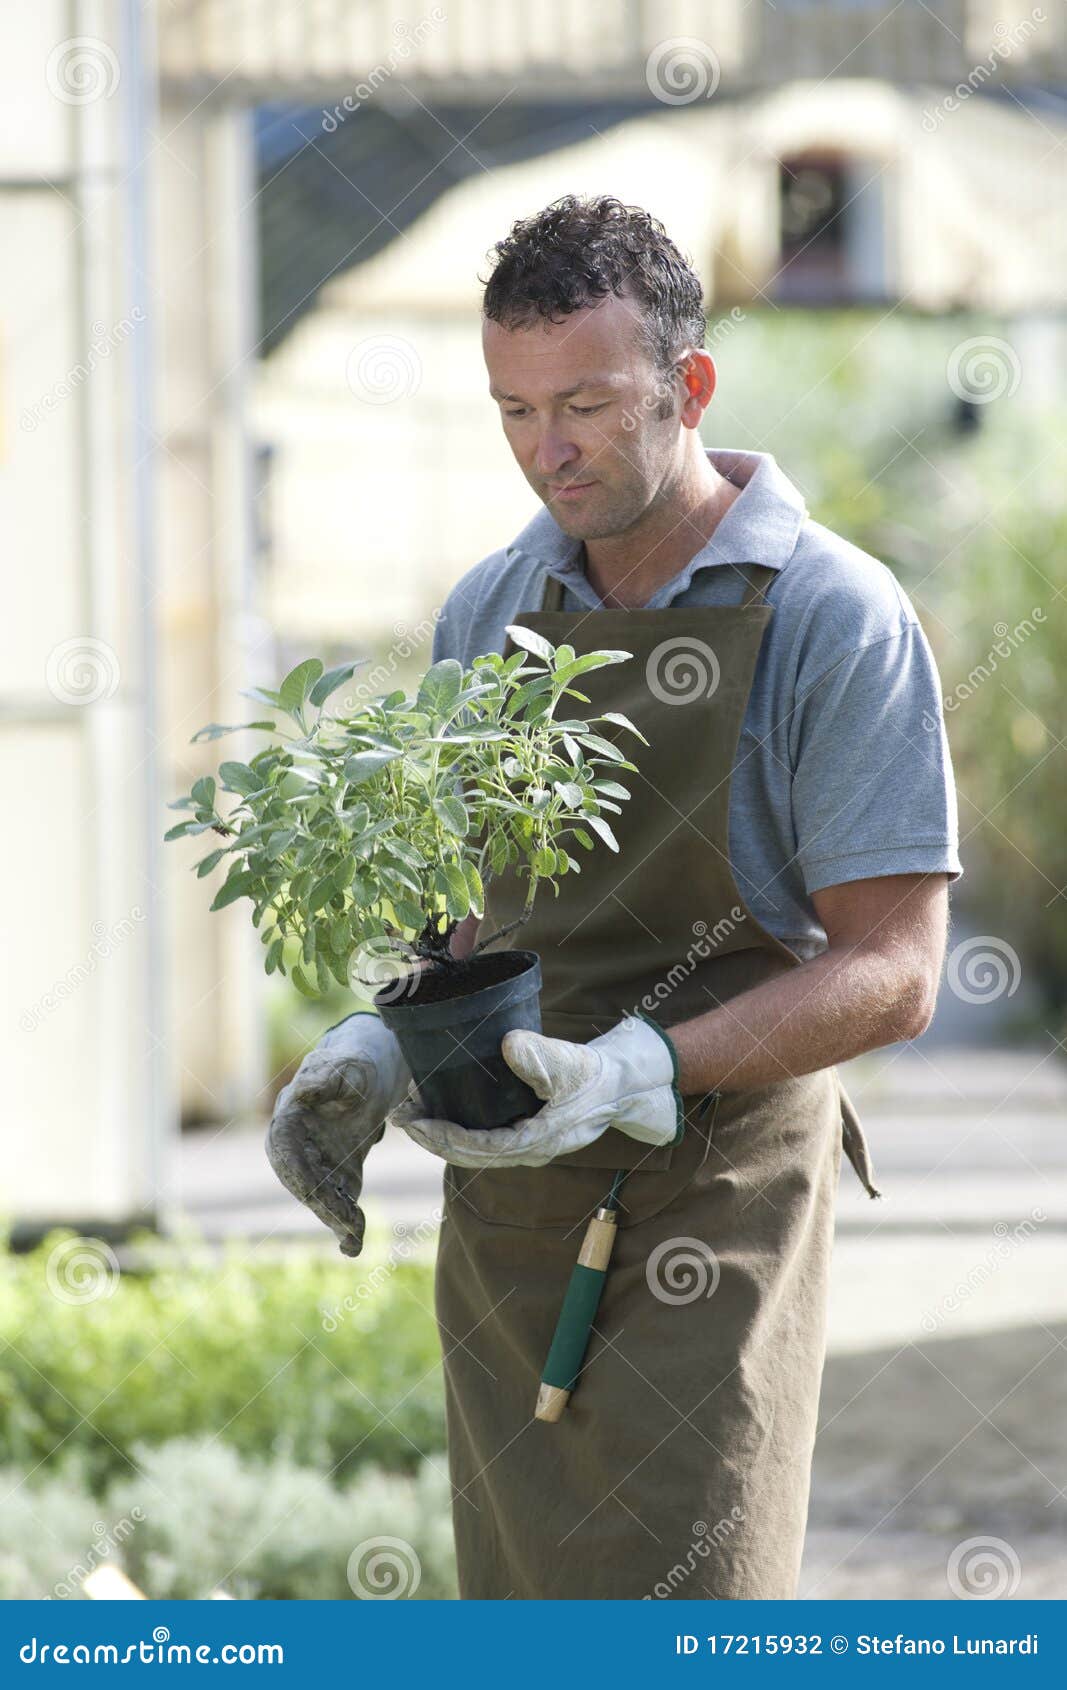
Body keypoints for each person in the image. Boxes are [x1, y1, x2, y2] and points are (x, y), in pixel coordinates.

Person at [268, 194, 961, 1600]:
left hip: (717, 1203)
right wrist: (384, 1036)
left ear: (688, 385)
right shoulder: (494, 612)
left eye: (584, 404)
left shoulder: (832, 613)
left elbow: (897, 966)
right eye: (513, 410)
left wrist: (647, 1062)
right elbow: (477, 926)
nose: (547, 451)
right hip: (515, 1207)